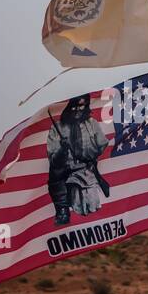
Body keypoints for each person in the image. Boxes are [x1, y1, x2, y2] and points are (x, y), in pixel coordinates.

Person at [46, 95, 110, 226]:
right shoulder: (57, 128)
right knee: (54, 173)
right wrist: (62, 150)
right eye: (74, 105)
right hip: (66, 171)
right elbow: (53, 158)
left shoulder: (92, 124)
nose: (77, 109)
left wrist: (88, 155)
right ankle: (62, 209)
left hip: (87, 166)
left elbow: (102, 144)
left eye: (81, 106)